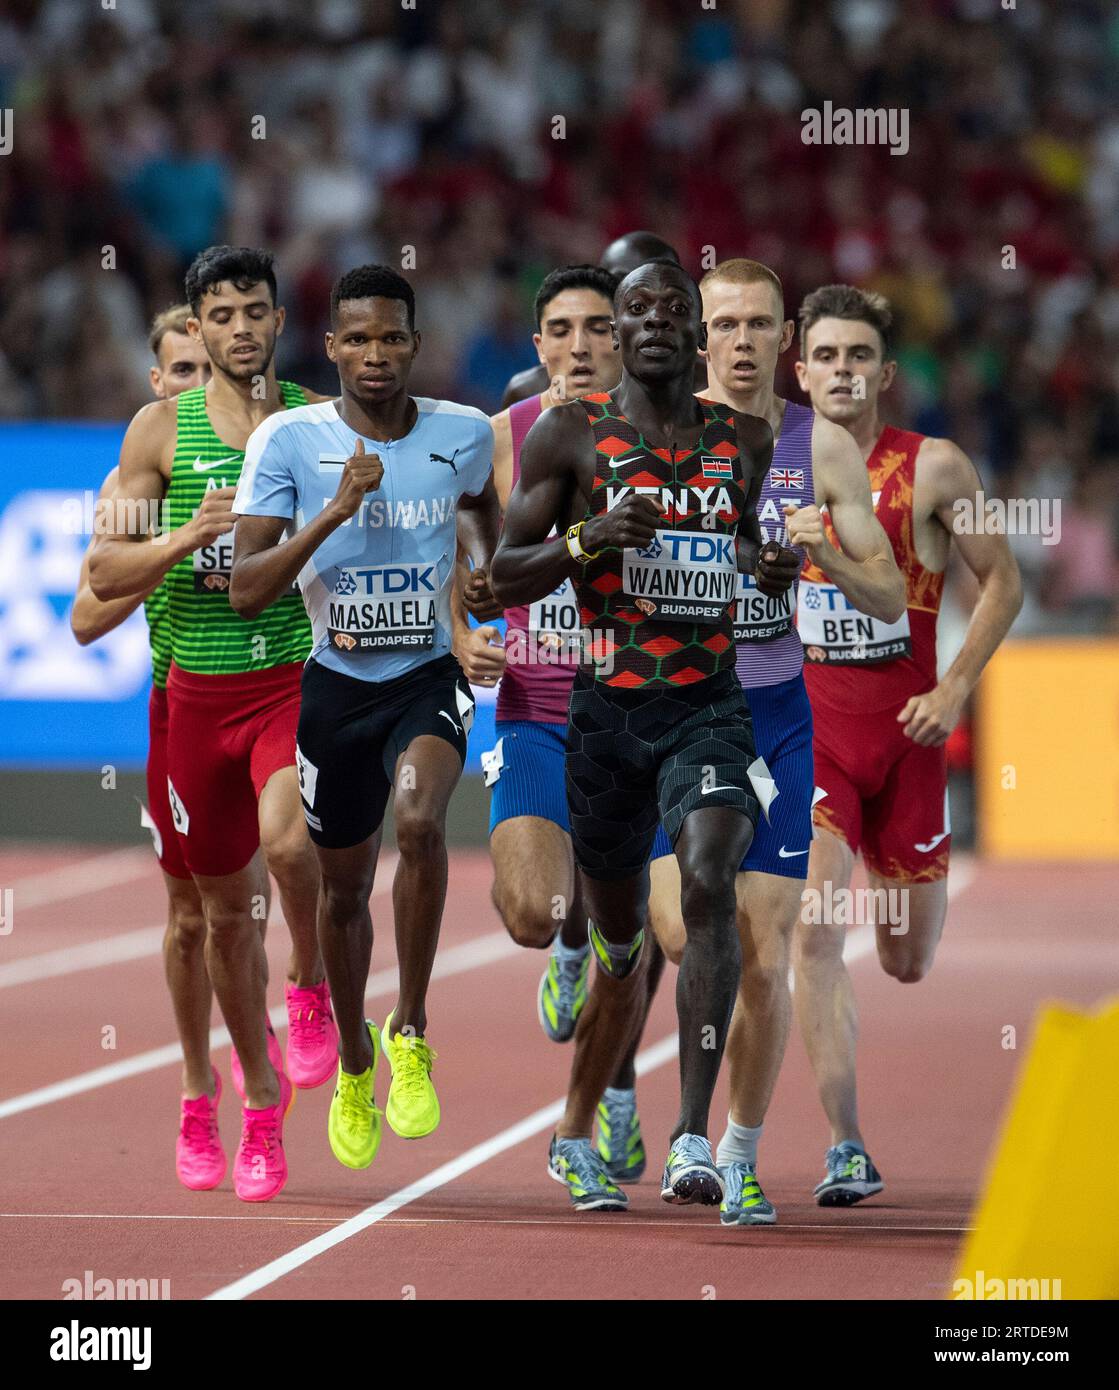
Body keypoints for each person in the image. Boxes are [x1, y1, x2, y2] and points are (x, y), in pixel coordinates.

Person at [492, 258, 792, 1210]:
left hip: (707, 707)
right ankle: (595, 1084)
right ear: (617, 332)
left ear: (694, 330)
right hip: (605, 716)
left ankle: (692, 1137)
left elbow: (736, 541)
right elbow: (503, 575)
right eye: (637, 311)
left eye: (674, 308)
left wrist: (765, 566)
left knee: (706, 887)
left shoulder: (742, 439)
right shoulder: (569, 437)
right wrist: (589, 539)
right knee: (622, 944)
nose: (655, 321)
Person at [621, 260, 904, 1224]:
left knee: (765, 945)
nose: (742, 342)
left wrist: (816, 549)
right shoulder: (654, 435)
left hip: (777, 722)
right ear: (701, 335)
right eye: (725, 324)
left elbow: (890, 595)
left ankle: (731, 1149)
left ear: (786, 339)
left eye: (759, 325)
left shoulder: (818, 443)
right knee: (681, 929)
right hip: (672, 715)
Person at [230, 265, 501, 1173]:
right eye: (358, 339)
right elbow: (245, 589)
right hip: (334, 688)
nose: (376, 355)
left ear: (414, 346)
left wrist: (472, 606)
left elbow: (482, 525)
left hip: (422, 677)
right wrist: (333, 513)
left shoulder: (461, 434)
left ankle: (410, 1030)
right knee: (342, 892)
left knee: (421, 822)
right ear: (333, 347)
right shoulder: (286, 442)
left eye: (393, 338)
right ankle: (352, 1063)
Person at [89, 246, 336, 1203]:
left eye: (256, 312)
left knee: (290, 842)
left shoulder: (315, 421)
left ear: (280, 321)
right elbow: (104, 581)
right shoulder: (159, 432)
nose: (240, 329)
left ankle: (309, 980)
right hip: (192, 696)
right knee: (220, 921)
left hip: (289, 680)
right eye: (221, 314)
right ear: (197, 324)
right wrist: (190, 534)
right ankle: (250, 1100)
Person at [792, 284, 1022, 1203]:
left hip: (908, 737)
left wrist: (953, 686)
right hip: (808, 736)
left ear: (884, 373)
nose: (842, 372)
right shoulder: (763, 463)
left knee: (903, 960)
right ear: (797, 371)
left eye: (858, 357)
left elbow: (1000, 582)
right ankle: (845, 1145)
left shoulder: (933, 468)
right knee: (813, 925)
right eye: (826, 357)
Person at [71, 304, 258, 1193]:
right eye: (182, 371)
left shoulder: (273, 443)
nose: (200, 384)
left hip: (275, 690)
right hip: (178, 708)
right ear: (159, 386)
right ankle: (197, 1087)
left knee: (291, 869)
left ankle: (299, 1026)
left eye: (208, 368)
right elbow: (83, 614)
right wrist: (179, 545)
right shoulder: (143, 473)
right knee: (195, 918)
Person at [454, 264, 620, 1057]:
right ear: (537, 344)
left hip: (648, 709)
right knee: (533, 912)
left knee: (668, 926)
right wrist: (460, 626)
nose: (578, 347)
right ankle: (568, 943)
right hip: (536, 708)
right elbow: (447, 553)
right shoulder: (494, 439)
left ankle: (617, 1090)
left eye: (598, 328)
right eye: (561, 330)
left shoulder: (679, 435)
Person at [499, 233, 684, 409]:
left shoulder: (700, 385)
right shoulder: (529, 391)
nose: (640, 301)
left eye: (660, 289)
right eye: (623, 283)